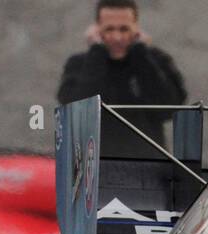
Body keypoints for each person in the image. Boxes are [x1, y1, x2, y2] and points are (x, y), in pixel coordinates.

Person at [57, 0, 187, 159]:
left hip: (148, 166)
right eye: (109, 29)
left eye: (124, 29)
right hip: (96, 165)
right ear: (97, 30)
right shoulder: (79, 64)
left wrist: (141, 54)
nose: (117, 37)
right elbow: (76, 111)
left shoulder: (156, 60)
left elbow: (168, 108)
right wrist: (96, 52)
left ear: (136, 29)